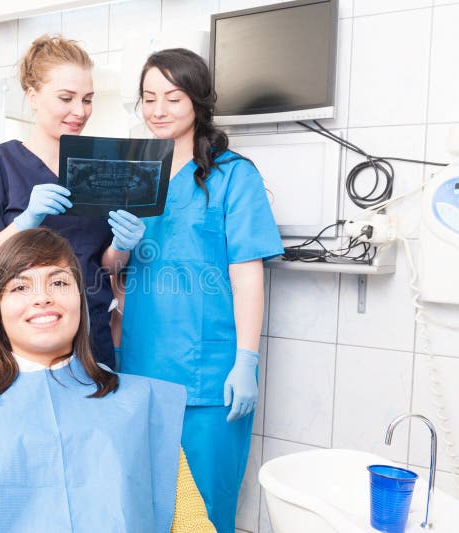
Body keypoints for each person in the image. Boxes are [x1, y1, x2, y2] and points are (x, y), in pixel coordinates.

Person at [0, 228, 216, 532]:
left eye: (58, 283)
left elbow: (191, 522)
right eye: (20, 286)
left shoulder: (140, 406)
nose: (43, 297)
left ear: (80, 301)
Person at [118, 49, 284, 532]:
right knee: (147, 509)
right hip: (141, 368)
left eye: (172, 97)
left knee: (205, 512)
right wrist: (118, 249)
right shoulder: (134, 174)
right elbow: (115, 273)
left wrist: (246, 360)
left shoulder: (234, 175)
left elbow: (248, 274)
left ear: (198, 101)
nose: (158, 109)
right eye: (148, 98)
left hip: (208, 376)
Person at [0, 35, 145, 369]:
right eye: (66, 98)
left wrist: (122, 245)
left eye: (87, 99)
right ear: (32, 97)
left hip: (90, 341)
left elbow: (106, 268)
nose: (80, 111)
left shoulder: (99, 168)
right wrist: (26, 221)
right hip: (18, 347)